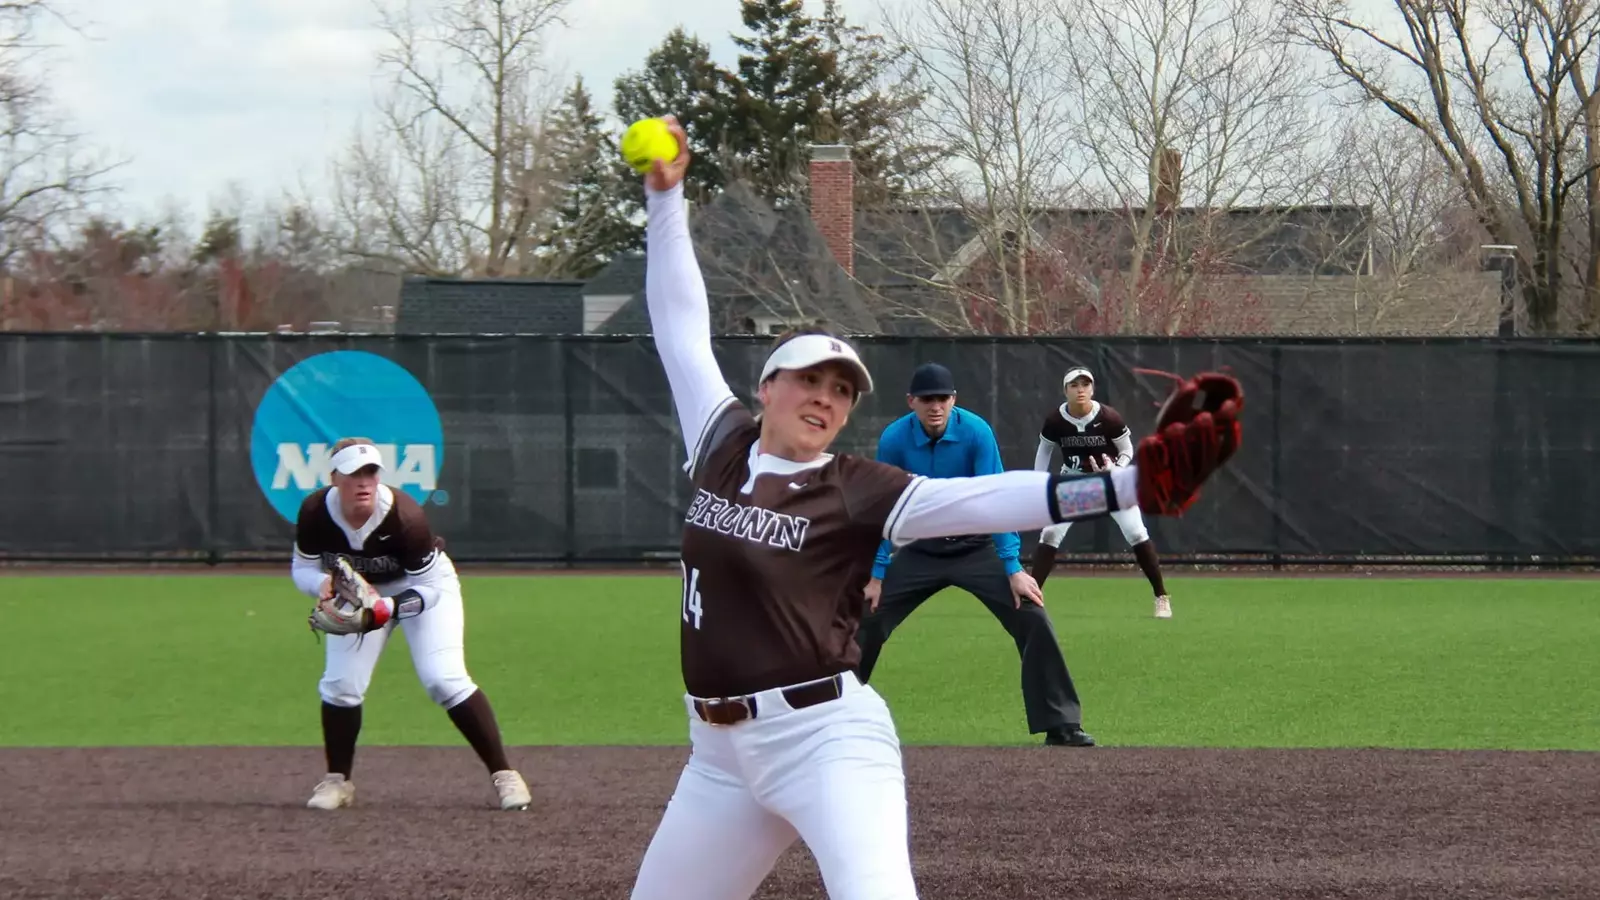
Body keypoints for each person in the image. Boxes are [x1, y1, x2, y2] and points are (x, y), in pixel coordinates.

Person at [626, 115, 1234, 900]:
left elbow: (987, 498)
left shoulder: (852, 486)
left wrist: (1126, 487)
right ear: (766, 388)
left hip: (823, 743)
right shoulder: (722, 442)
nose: (825, 396)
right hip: (716, 759)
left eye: (841, 390)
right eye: (809, 379)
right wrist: (665, 200)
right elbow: (680, 329)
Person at [855, 362, 1093, 748]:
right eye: (927, 399)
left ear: (954, 400)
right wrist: (876, 573)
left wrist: (1013, 568)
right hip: (920, 547)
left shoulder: (976, 432)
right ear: (911, 402)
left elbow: (996, 500)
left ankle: (1061, 723)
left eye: (943, 398)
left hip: (975, 547)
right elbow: (884, 507)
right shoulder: (894, 440)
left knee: (1031, 615)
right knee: (864, 615)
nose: (935, 406)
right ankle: (831, 719)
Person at [289, 436, 533, 811]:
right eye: (353, 473)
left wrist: (385, 609)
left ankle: (505, 775)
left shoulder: (403, 516)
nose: (364, 482)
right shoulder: (315, 512)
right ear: (334, 477)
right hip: (359, 594)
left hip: (421, 588)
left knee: (444, 679)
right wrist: (322, 584)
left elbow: (431, 589)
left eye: (371, 472)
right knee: (340, 686)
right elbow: (302, 568)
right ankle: (337, 781)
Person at [1030, 366, 1174, 618]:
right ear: (1065, 391)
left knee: (1136, 533)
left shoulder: (1108, 417)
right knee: (1050, 533)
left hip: (1111, 483)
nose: (1080, 390)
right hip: (1074, 482)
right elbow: (1044, 450)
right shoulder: (1055, 420)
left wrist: (1116, 469)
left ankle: (1161, 596)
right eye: (1074, 385)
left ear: (1092, 389)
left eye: (1085, 384)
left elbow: (1127, 449)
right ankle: (1031, 598)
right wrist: (1038, 482)